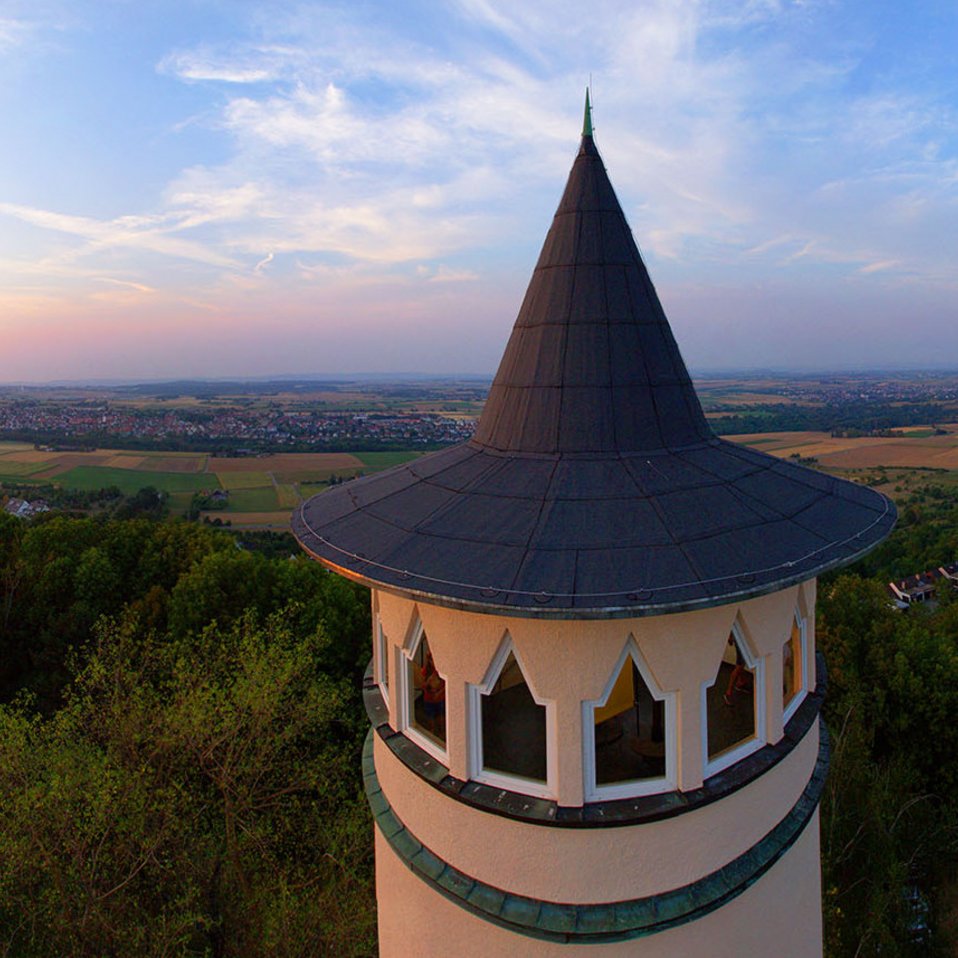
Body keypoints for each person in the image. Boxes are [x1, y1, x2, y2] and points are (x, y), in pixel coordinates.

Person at [420, 651, 446, 736]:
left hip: (440, 698)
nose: (433, 662)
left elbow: (446, 684)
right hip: (429, 699)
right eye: (431, 660)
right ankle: (432, 733)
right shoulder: (426, 671)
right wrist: (428, 683)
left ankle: (442, 733)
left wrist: (439, 693)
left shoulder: (441, 670)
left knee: (441, 719)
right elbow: (422, 684)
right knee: (431, 720)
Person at [724, 638, 751, 706]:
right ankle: (728, 693)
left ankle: (740, 682)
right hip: (740, 641)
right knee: (739, 666)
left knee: (741, 664)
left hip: (742, 640)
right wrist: (730, 639)